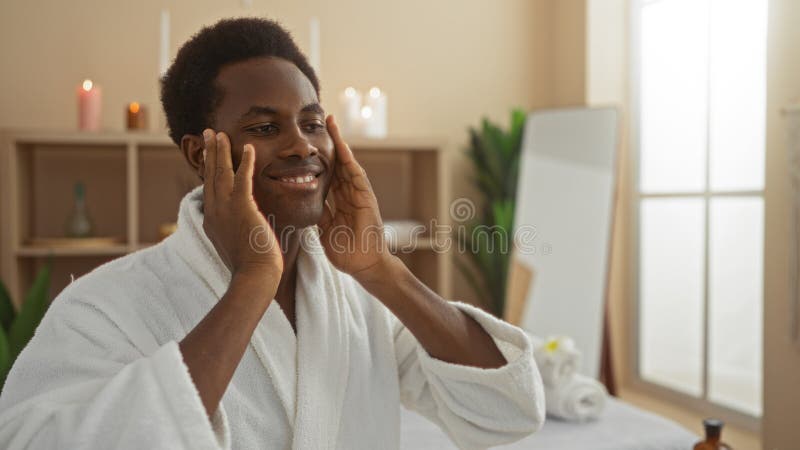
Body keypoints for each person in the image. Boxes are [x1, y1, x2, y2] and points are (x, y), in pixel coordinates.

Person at [0, 17, 544, 449]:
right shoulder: (106, 305)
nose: (302, 146)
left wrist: (382, 270)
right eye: (264, 127)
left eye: (312, 122)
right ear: (199, 152)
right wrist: (253, 280)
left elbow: (508, 409)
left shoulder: (354, 295)